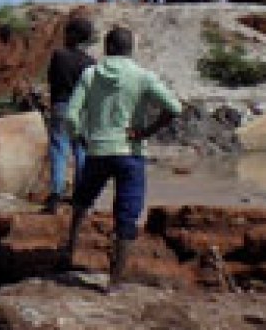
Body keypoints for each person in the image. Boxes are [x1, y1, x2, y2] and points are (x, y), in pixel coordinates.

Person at [60, 26, 182, 290]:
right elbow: (174, 107)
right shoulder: (143, 77)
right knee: (127, 214)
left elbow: (71, 116)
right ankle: (115, 281)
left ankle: (69, 249)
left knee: (82, 200)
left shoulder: (90, 75)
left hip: (98, 151)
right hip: (131, 153)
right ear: (130, 48)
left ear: (108, 48)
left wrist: (80, 136)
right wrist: (145, 132)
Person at [41, 16, 95, 213]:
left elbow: (51, 79)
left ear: (72, 35)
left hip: (61, 105)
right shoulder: (90, 62)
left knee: (59, 149)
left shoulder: (59, 56)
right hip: (83, 109)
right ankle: (80, 197)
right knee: (81, 151)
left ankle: (56, 194)